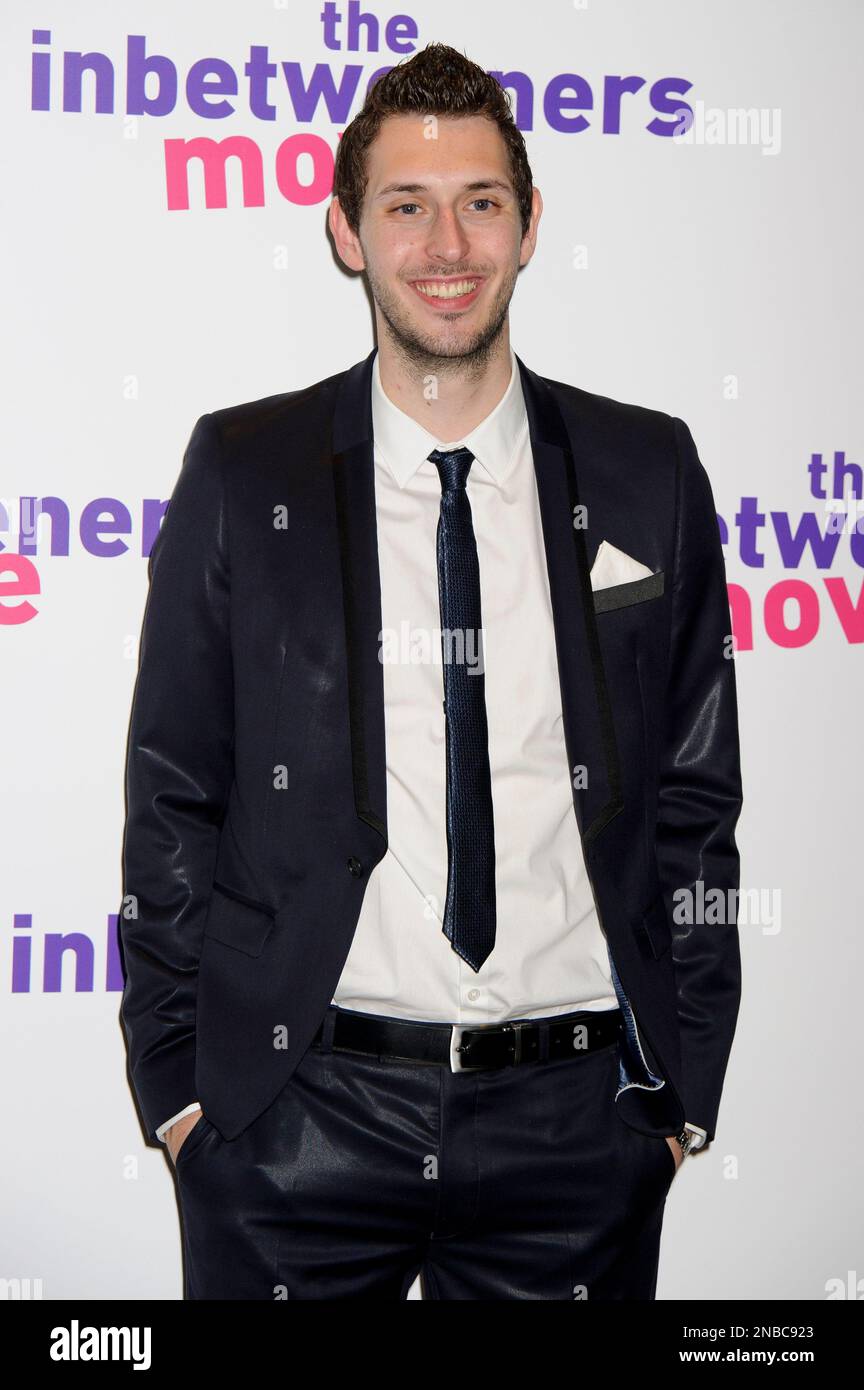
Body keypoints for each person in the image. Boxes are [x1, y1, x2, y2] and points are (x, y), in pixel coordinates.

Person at [119, 41, 743, 1300]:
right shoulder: (249, 473)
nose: (445, 243)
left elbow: (695, 803)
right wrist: (182, 1089)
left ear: (528, 225)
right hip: (296, 1123)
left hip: (578, 1127)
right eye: (406, 204)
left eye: (481, 202)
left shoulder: (647, 472)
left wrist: (678, 1097)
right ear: (348, 231)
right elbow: (175, 790)